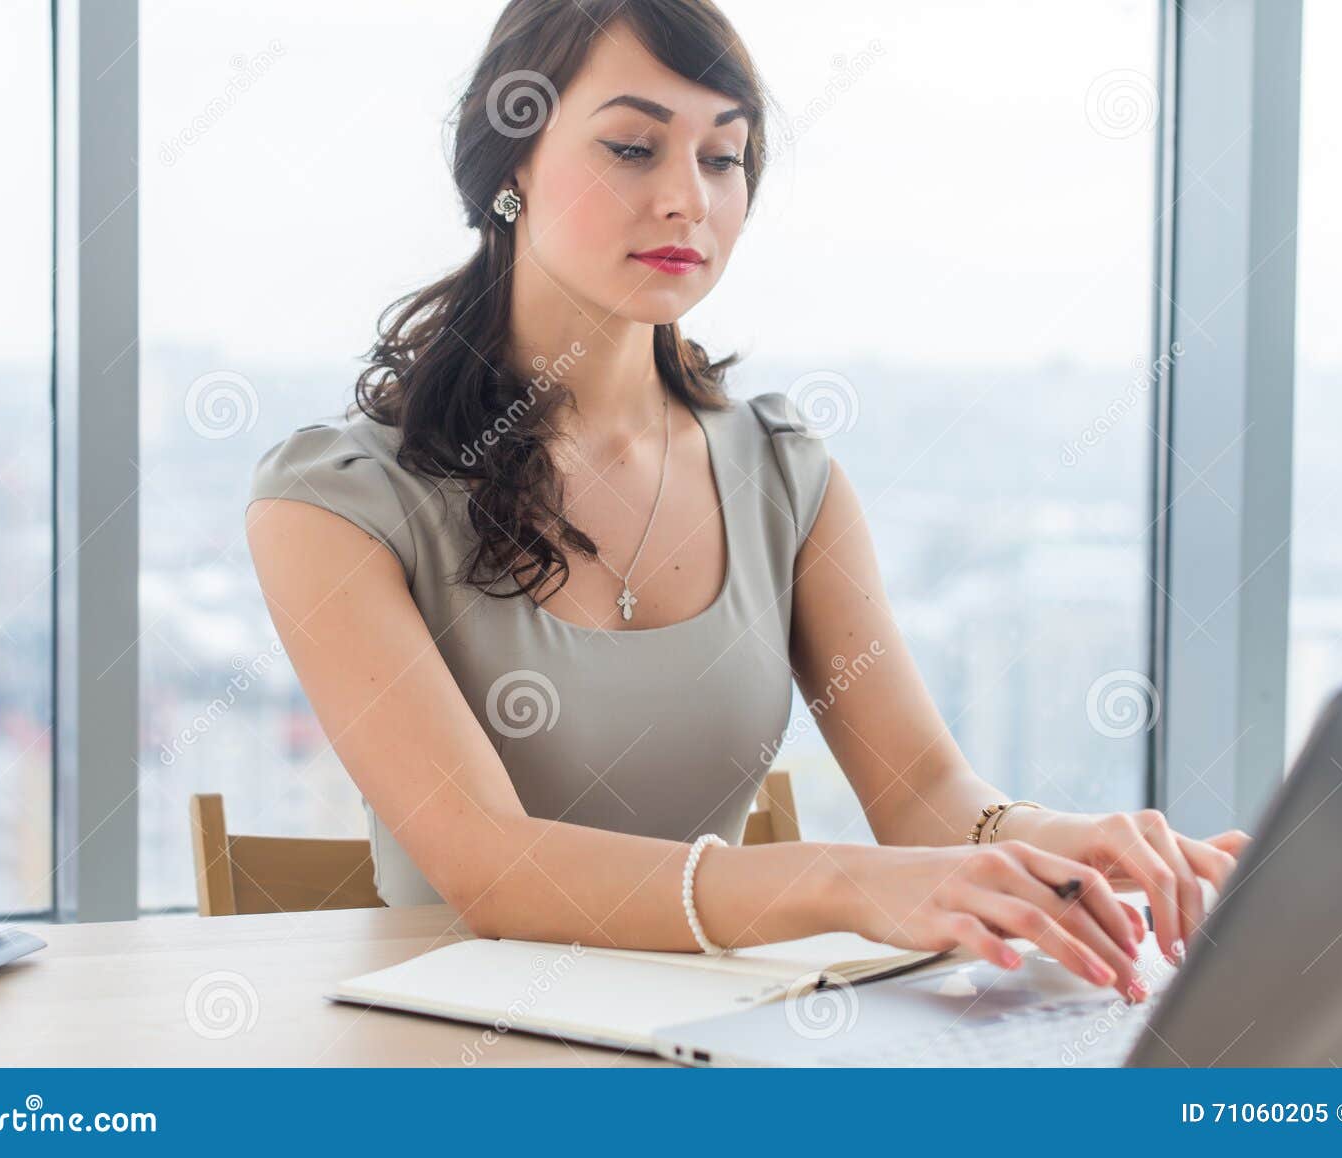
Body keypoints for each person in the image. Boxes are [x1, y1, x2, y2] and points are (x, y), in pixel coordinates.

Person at [246, 0, 1248, 1006]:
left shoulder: (783, 476)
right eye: (633, 147)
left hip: (706, 1041)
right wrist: (838, 880)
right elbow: (491, 869)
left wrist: (1063, 849)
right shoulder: (337, 503)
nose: (687, 199)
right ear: (510, 165)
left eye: (723, 157)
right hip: (441, 1059)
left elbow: (925, 795)